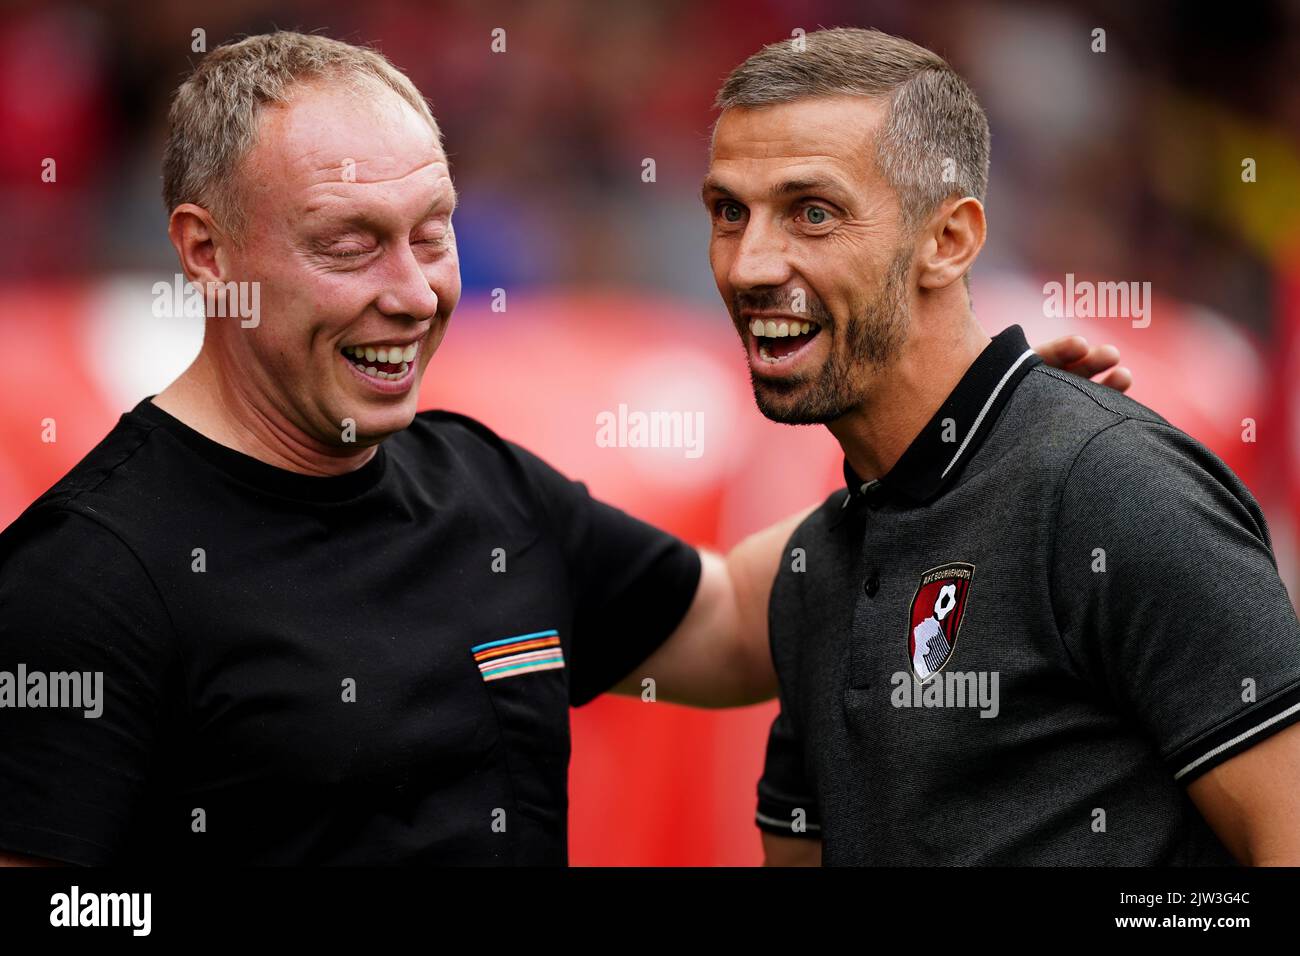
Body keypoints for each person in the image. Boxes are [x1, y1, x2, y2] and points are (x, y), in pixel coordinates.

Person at [0, 31, 1128, 866]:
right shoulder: (83, 576)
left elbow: (737, 618)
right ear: (205, 251)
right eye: (350, 245)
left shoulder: (484, 489)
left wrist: (964, 453)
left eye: (431, 236)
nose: (410, 293)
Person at [698, 28, 1300, 866]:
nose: (751, 263)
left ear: (948, 241)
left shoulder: (1113, 489)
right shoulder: (816, 571)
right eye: (730, 211)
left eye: (814, 212)